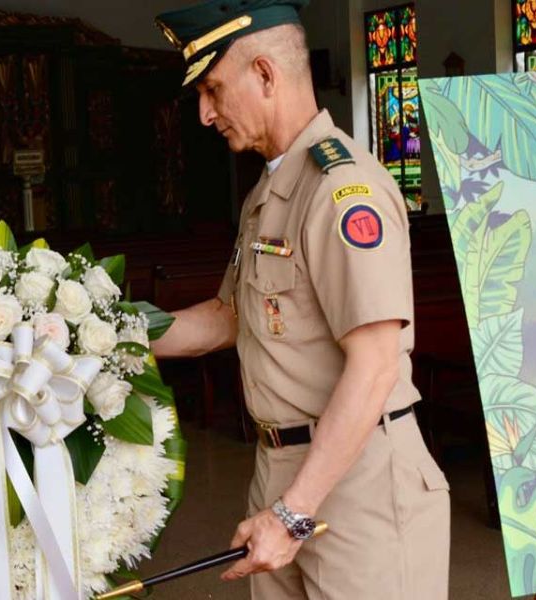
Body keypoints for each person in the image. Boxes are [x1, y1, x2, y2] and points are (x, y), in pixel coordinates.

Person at [150, 1, 450, 598]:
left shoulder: (342, 189)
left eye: (213, 89)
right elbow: (229, 317)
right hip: (283, 471)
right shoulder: (272, 189)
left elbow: (375, 366)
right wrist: (102, 331)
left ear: (265, 74)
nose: (206, 114)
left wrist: (293, 514)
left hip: (358, 485)